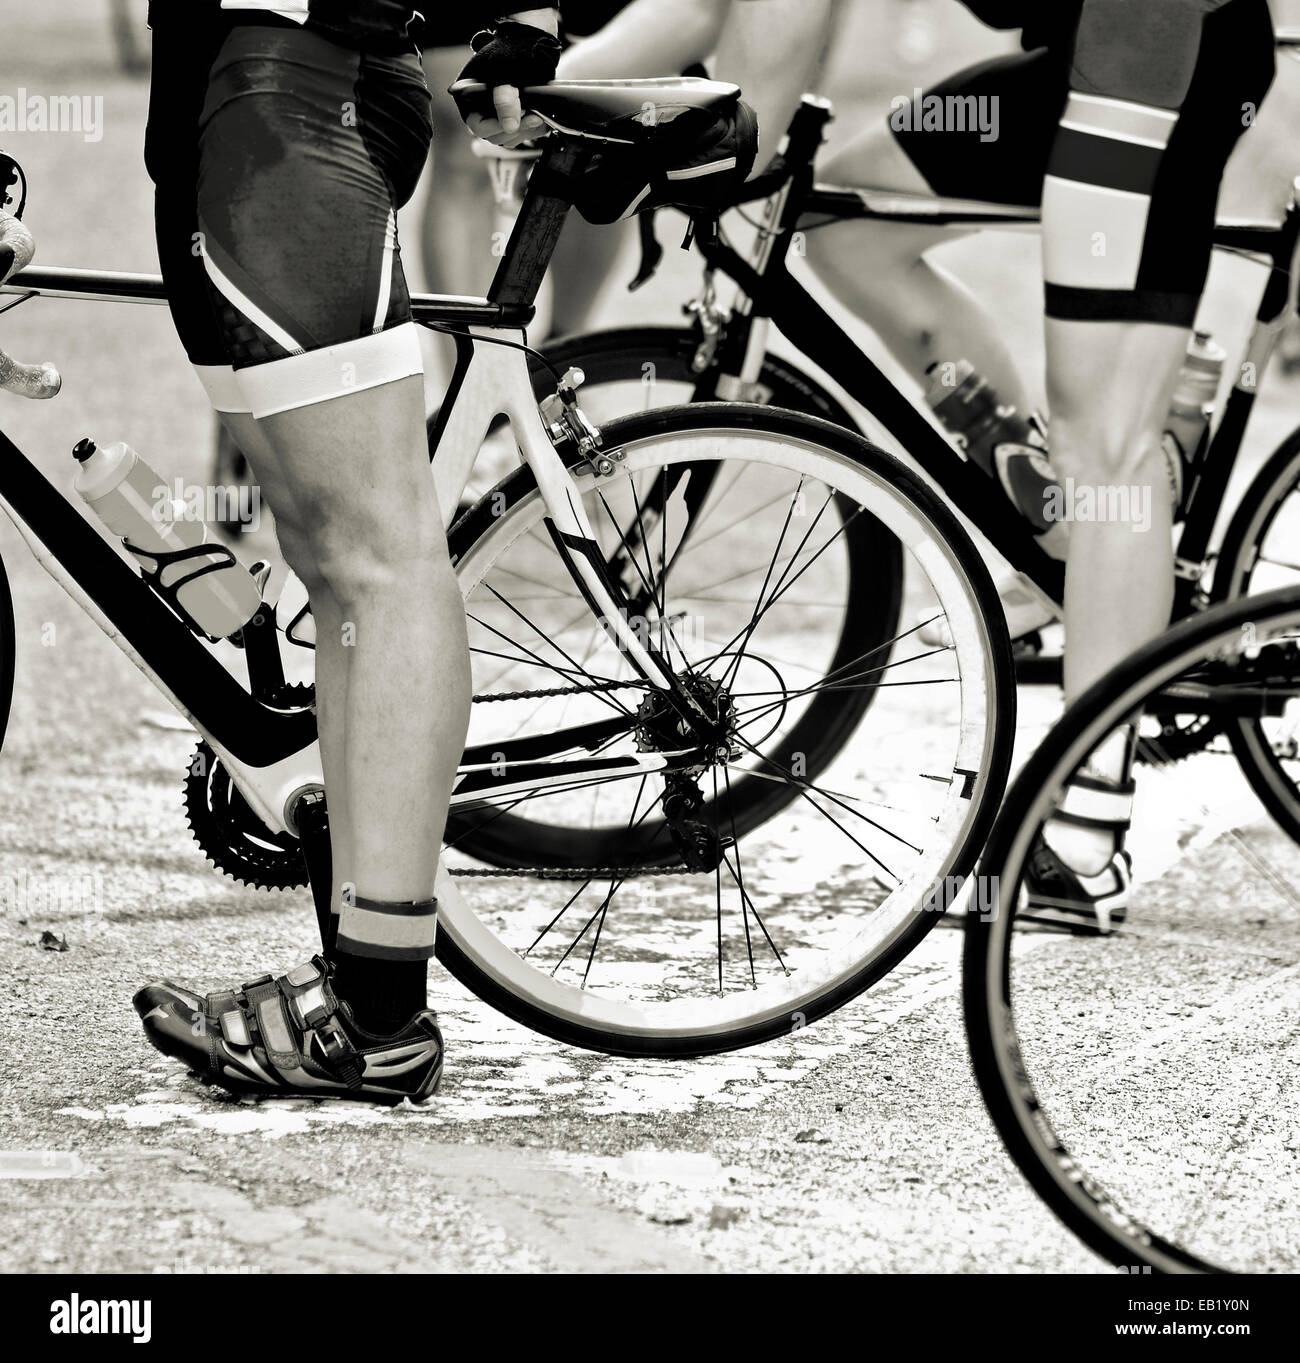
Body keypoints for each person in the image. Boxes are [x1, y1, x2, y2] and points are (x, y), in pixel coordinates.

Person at [133, 3, 567, 1102]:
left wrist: (530, 17)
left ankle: (378, 1014)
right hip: (226, 98)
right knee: (333, 560)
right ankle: (357, 977)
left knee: (376, 554)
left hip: (291, 84)